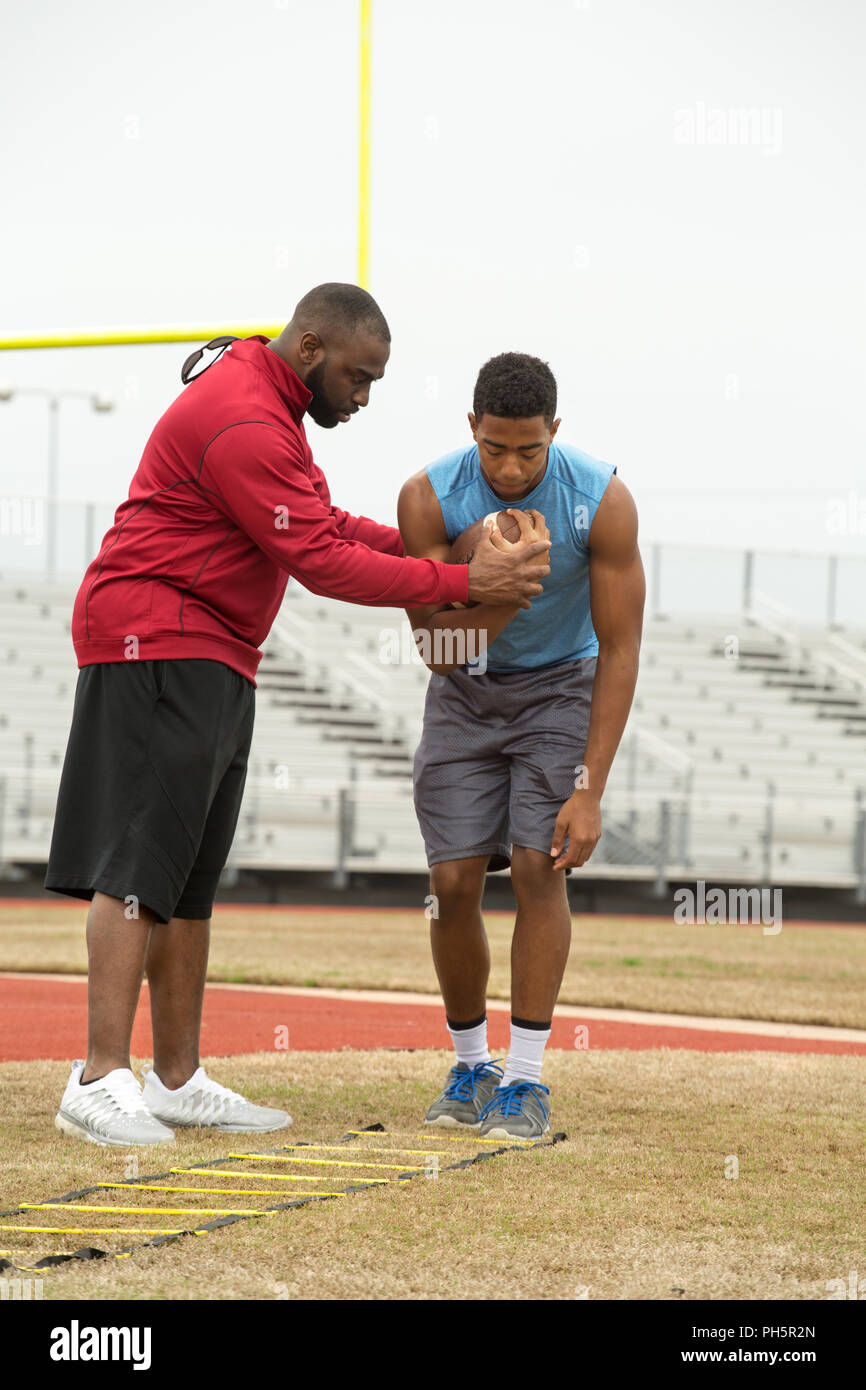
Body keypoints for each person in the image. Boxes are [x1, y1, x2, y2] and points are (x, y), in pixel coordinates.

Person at [45, 285, 551, 1146]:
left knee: (187, 882)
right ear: (312, 348)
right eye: (359, 377)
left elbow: (324, 523)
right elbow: (319, 559)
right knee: (136, 870)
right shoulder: (245, 417)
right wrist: (468, 581)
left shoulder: (269, 408)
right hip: (155, 637)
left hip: (210, 647)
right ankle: (97, 1075)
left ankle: (176, 1078)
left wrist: (438, 546)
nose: (363, 397)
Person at [398, 351, 645, 1139]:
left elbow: (621, 648)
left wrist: (590, 789)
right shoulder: (427, 498)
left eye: (528, 450)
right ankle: (472, 1066)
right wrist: (502, 584)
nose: (509, 466)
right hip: (465, 686)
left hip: (561, 688)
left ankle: (526, 1082)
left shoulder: (601, 501)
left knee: (540, 866)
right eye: (494, 447)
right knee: (452, 880)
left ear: (555, 433)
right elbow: (438, 652)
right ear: (470, 427)